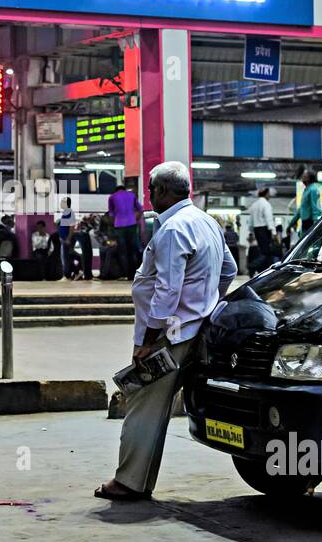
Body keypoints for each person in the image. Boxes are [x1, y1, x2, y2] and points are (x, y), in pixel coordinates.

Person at [95, 161, 237, 502]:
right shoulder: (206, 222)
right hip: (197, 330)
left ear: (161, 191)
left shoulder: (173, 229)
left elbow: (167, 291)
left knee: (143, 404)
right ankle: (138, 479)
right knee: (153, 404)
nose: (149, 195)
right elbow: (229, 270)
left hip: (170, 336)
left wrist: (146, 341)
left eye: (151, 189)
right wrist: (204, 304)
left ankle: (130, 482)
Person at [108, 177, 142, 282]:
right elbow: (140, 209)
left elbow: (111, 214)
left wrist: (111, 227)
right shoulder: (131, 195)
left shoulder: (112, 197)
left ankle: (126, 274)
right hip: (132, 224)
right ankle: (134, 274)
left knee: (123, 251)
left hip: (119, 226)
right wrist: (136, 219)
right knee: (133, 250)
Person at [250, 187, 276, 272]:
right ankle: (253, 265)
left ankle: (261, 269)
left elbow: (251, 221)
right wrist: (273, 231)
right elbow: (269, 218)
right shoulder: (266, 204)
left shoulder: (254, 205)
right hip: (264, 230)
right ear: (266, 194)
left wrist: (251, 232)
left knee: (262, 251)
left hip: (256, 229)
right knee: (266, 252)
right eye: (269, 194)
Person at [298, 170, 322, 236]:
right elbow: (301, 209)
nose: (302, 176)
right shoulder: (306, 190)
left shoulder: (313, 189)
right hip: (305, 222)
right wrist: (291, 224)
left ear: (309, 178)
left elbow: (316, 208)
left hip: (310, 222)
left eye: (304, 175)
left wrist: (316, 225)